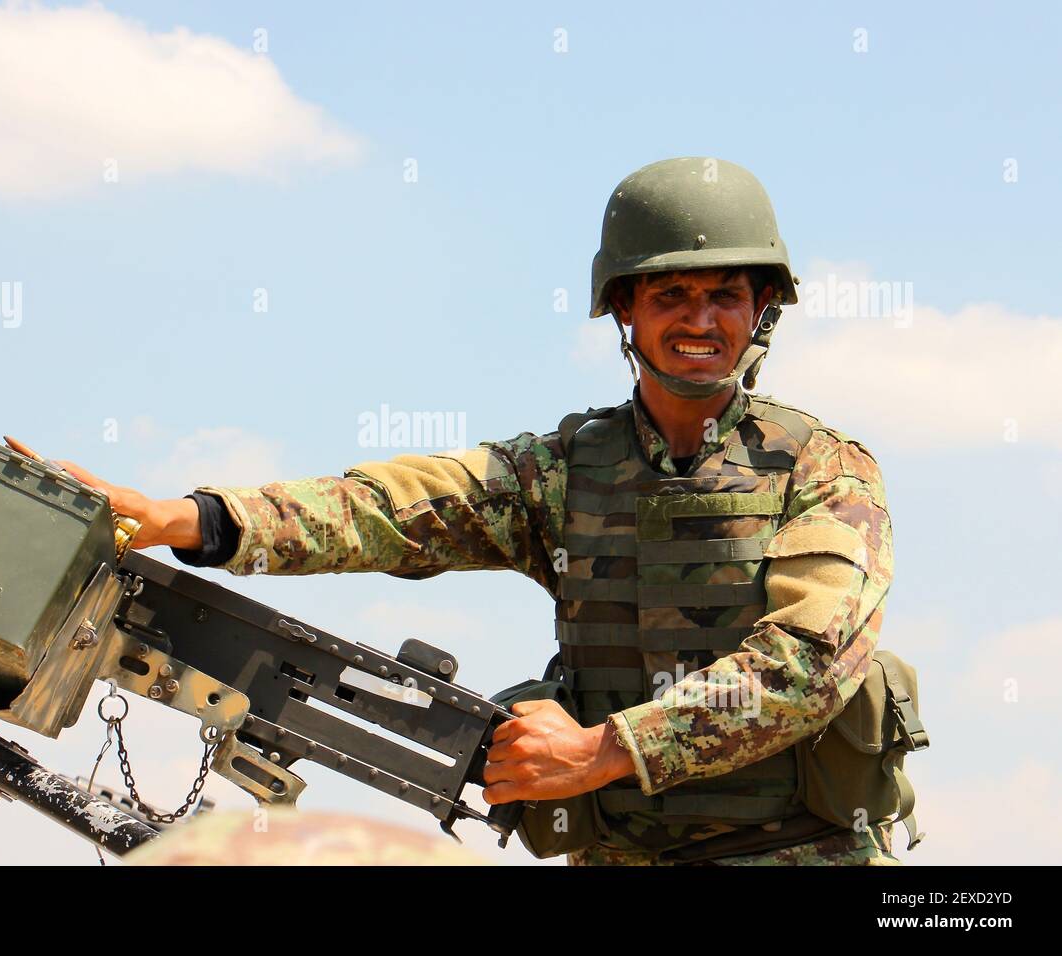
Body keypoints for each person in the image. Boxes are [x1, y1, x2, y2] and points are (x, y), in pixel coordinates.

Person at [56, 157, 923, 866]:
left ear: (761, 309)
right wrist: (189, 520)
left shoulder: (822, 468)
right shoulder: (566, 472)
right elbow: (385, 509)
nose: (699, 321)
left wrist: (597, 752)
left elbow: (807, 666)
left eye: (724, 296)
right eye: (670, 296)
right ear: (624, 309)